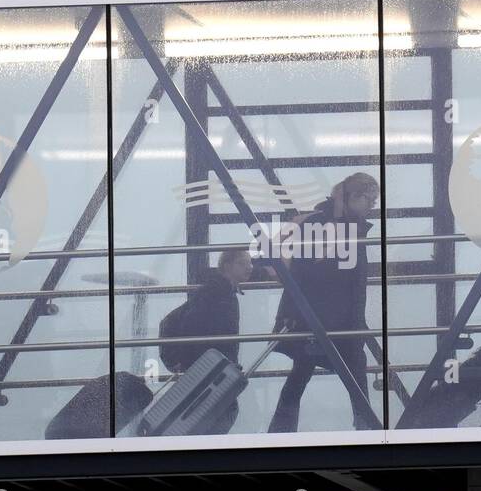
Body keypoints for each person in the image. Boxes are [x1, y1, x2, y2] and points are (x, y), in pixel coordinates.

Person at [268, 172, 379, 433]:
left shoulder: (325, 222)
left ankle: (281, 431)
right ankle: (366, 427)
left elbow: (287, 258)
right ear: (353, 196)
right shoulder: (331, 224)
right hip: (332, 317)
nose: (372, 205)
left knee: (303, 371)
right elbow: (320, 270)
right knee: (353, 368)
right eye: (368, 199)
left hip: (319, 316)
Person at [158, 248, 254, 434]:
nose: (249, 268)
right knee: (225, 410)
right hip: (209, 364)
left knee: (218, 409)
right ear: (227, 266)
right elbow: (193, 325)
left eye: (250, 263)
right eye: (242, 263)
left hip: (210, 362)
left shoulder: (221, 290)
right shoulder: (217, 292)